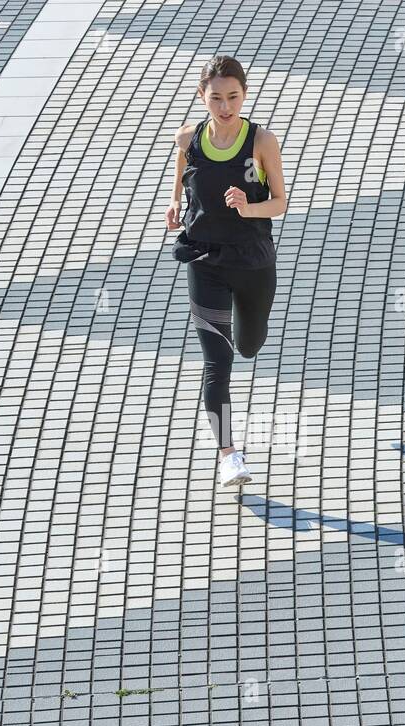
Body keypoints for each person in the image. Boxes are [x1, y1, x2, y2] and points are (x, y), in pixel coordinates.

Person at [165, 54, 287, 489]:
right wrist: (177, 204)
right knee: (217, 361)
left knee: (249, 345)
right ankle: (229, 454)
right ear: (202, 97)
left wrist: (247, 206)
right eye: (215, 98)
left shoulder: (261, 141)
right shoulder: (189, 137)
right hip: (205, 260)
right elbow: (183, 172)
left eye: (232, 96)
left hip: (253, 260)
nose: (224, 106)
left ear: (245, 94)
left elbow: (280, 202)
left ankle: (248, 331)